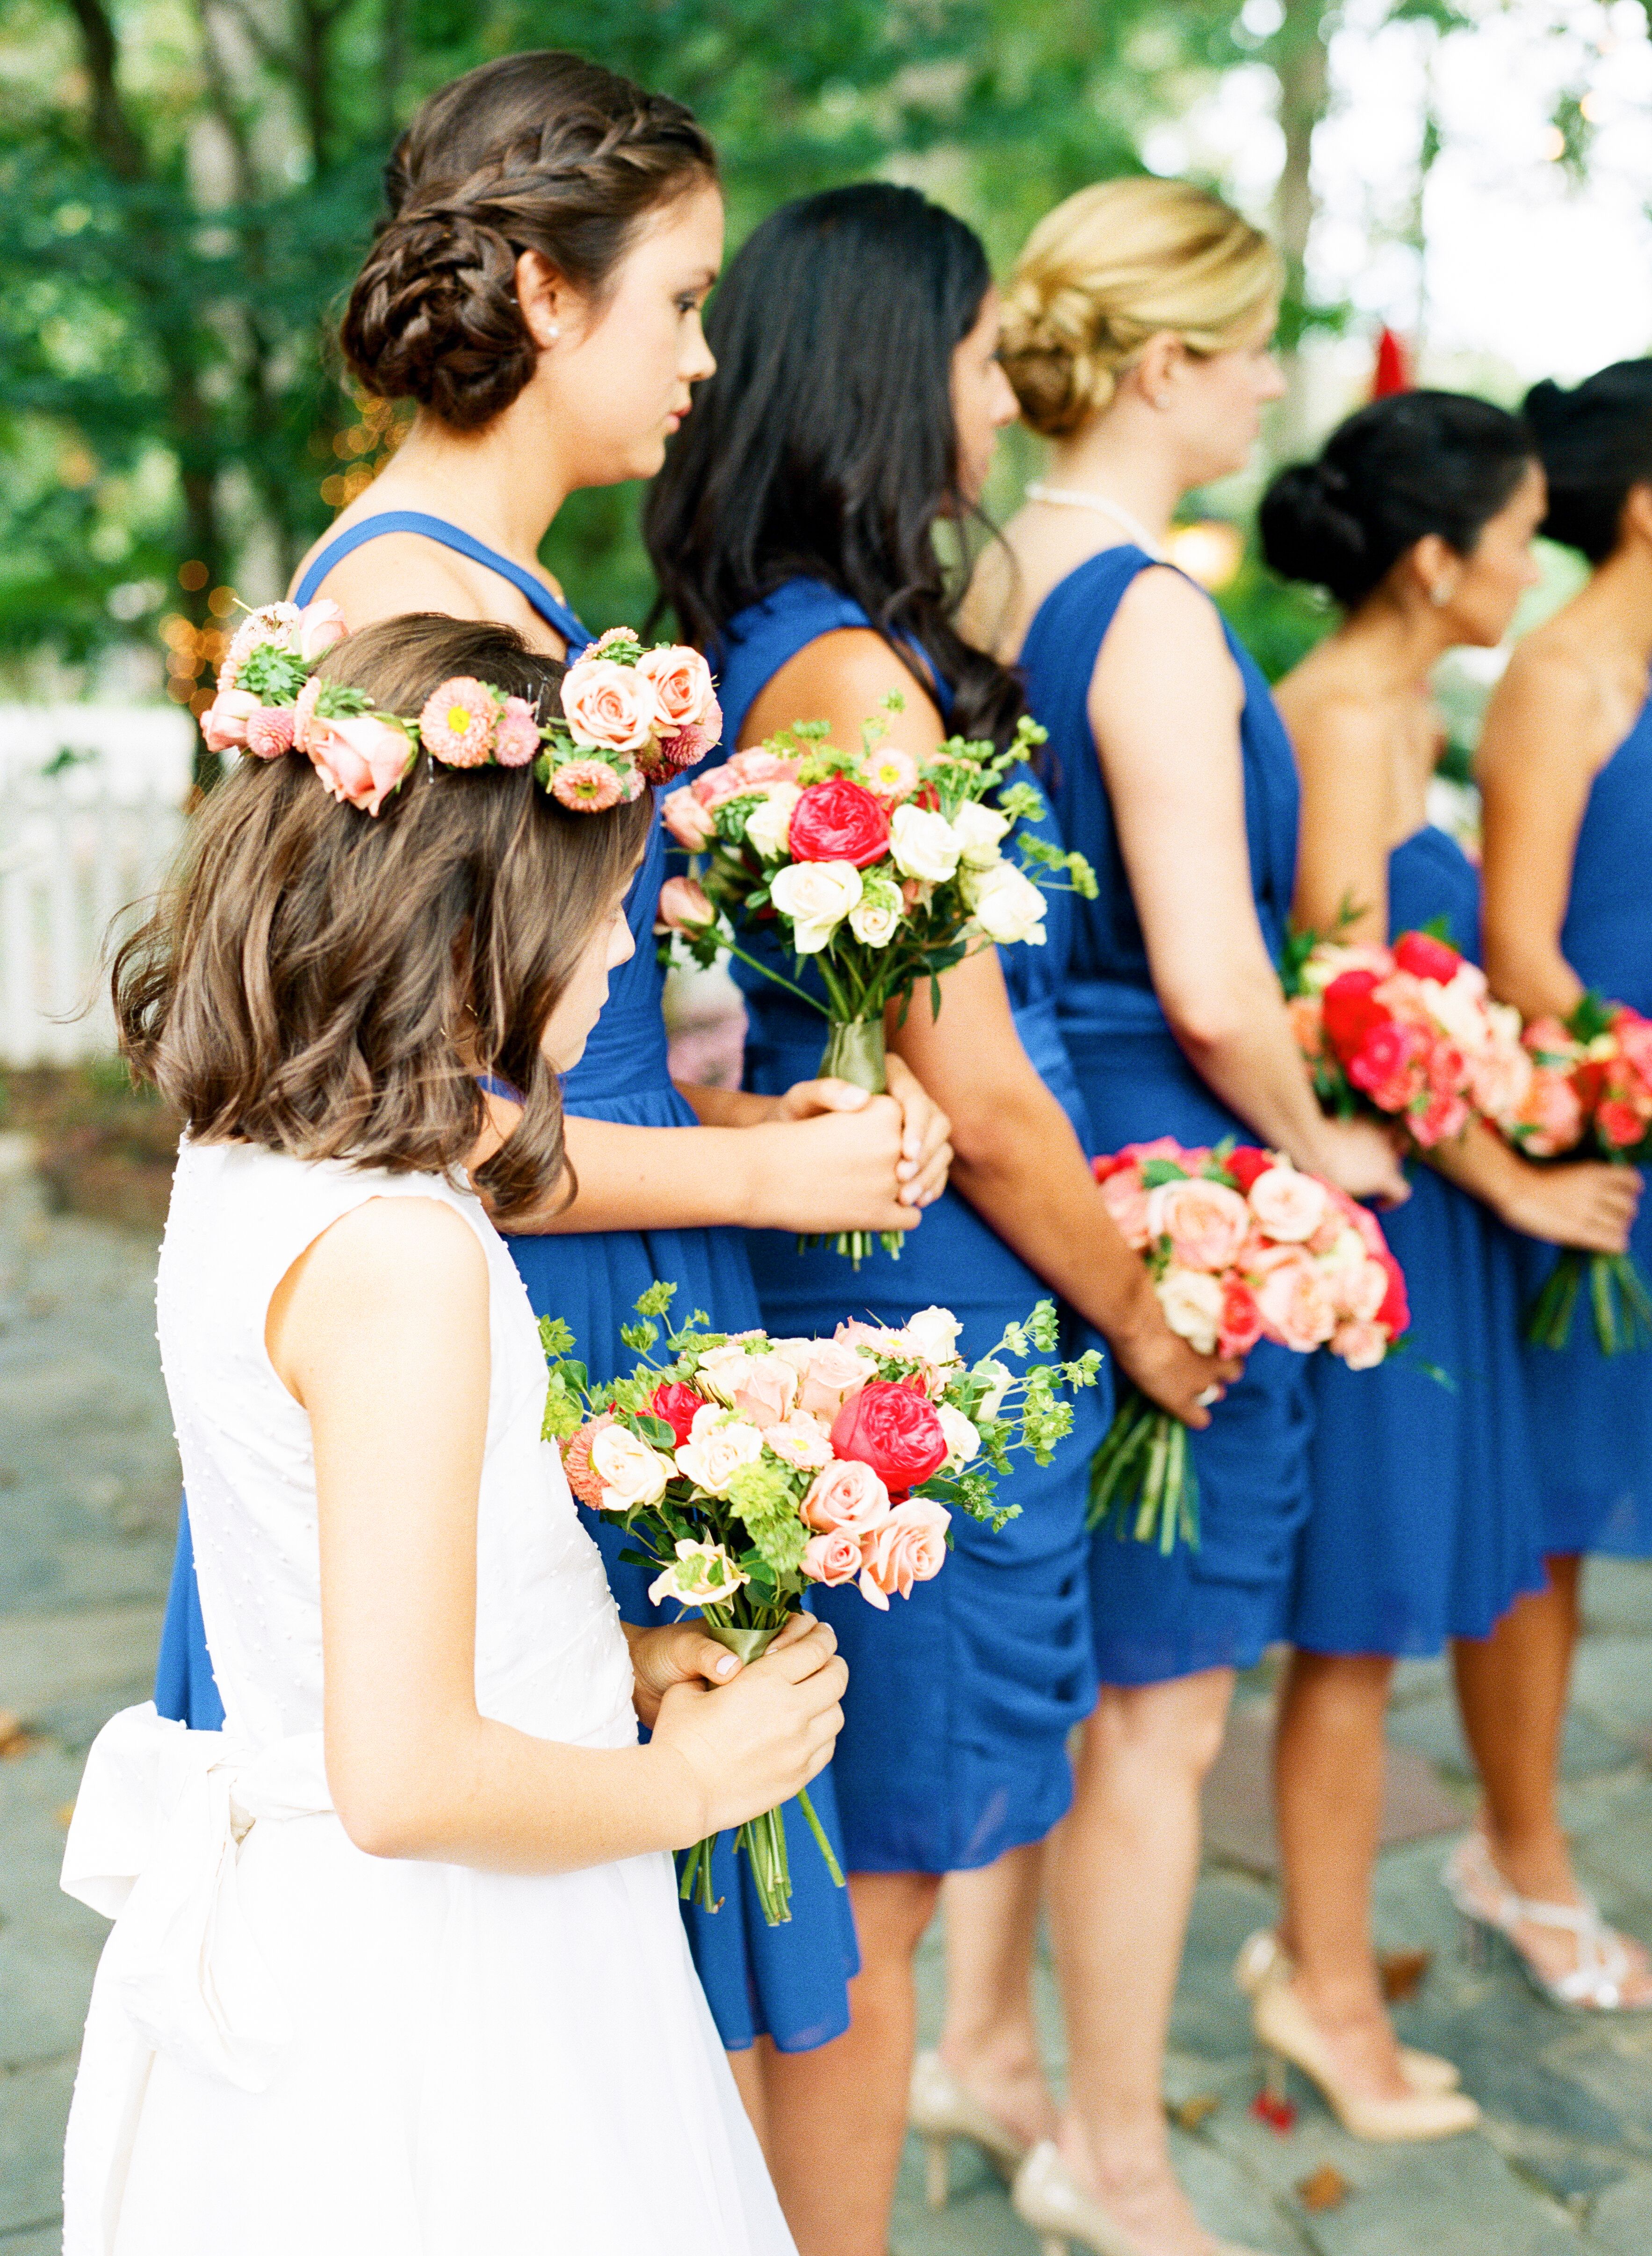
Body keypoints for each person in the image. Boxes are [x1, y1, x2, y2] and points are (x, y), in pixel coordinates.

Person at [151, 49, 950, 2140]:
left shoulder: (507, 593)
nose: (706, 352)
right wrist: (777, 1192)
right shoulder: (409, 610)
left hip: (565, 1282)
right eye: (679, 297)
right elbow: (396, 1117)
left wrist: (736, 1119)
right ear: (538, 295)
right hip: (492, 1315)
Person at [68, 610, 849, 2252]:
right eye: (603, 912)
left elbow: (339, 1581)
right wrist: (691, 1781)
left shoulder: (264, 1162)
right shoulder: (399, 1253)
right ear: (478, 915)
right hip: (446, 1969)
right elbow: (409, 1777)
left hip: (381, 1919)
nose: (630, 957)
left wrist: (618, 1665)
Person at [646, 181, 1233, 2256]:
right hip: (935, 1315)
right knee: (874, 1888)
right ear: (900, 376)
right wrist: (1144, 1321)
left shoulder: (781, 645)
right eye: (980, 357)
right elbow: (980, 1095)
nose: (1000, 399)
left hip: (870, 1283)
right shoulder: (856, 684)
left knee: (868, 1868)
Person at [938, 177, 1409, 2256]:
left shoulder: (965, 575)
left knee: (1065, 1660)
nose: (1272, 386)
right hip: (1169, 1164)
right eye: (1249, 347)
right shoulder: (1141, 610)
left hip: (1028, 1140)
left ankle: (983, 2050)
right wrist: (1330, 1157)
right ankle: (1105, 2157)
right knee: (1160, 1706)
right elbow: (1216, 981)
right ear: (1157, 369)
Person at [1252, 389, 1639, 2132]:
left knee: (1391, 1624)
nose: (1526, 564)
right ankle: (1323, 1993)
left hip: (1444, 1207)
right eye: (1509, 537)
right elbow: (1341, 1008)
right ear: (1434, 559)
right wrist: (1517, 1172)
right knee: (1355, 1634)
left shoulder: (1409, 707)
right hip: (1388, 1219)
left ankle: (1328, 1971)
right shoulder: (1340, 718)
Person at [1463, 358, 1652, 2011]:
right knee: (1552, 1530)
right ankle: (1520, 1855)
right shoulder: (1562, 674)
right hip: (1597, 1154)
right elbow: (1522, 950)